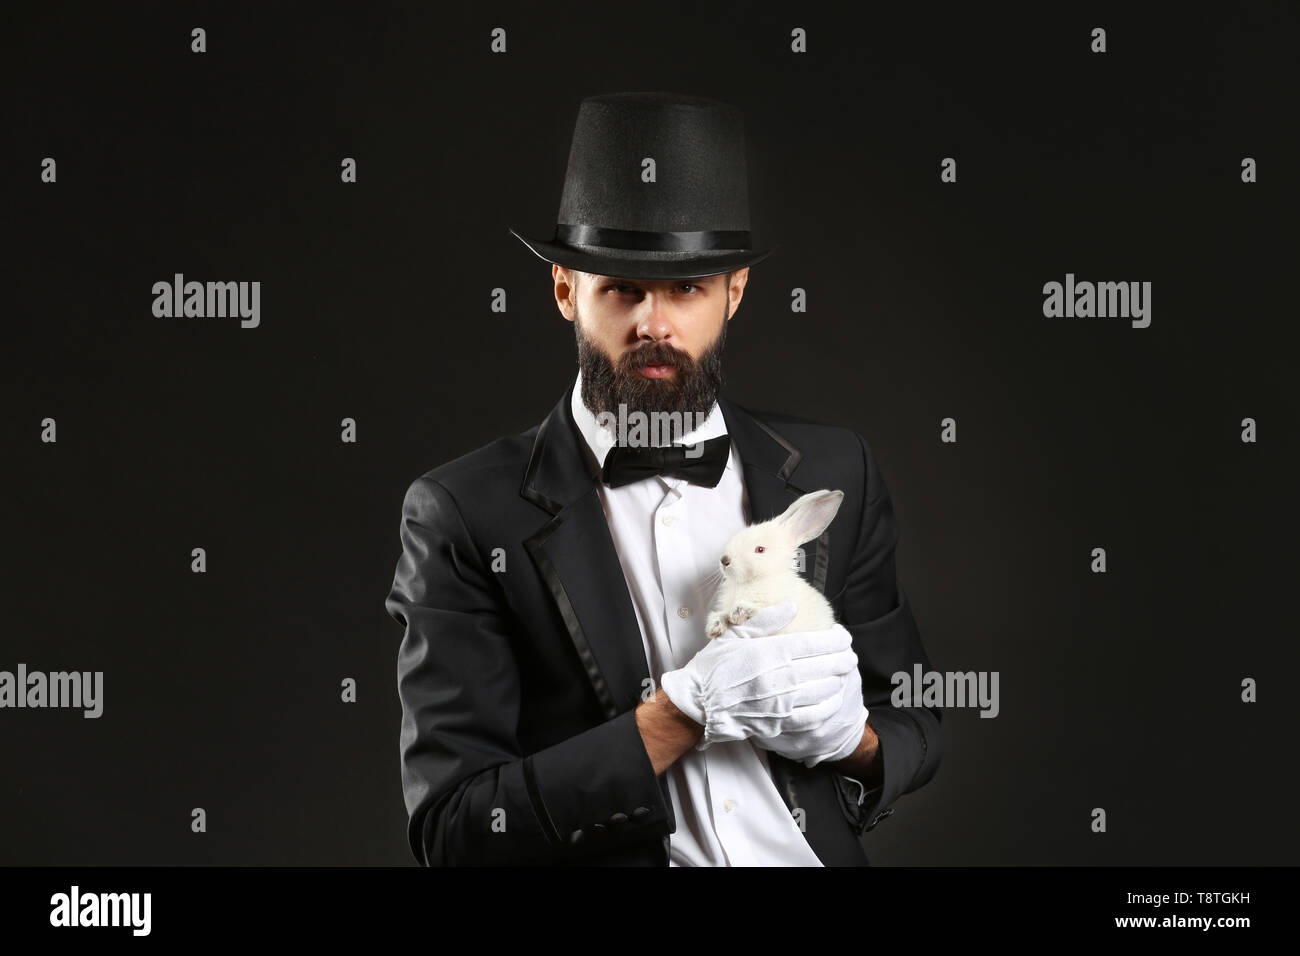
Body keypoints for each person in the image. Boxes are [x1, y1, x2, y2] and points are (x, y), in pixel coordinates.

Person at [384, 91, 942, 866]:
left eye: (686, 289)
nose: (655, 323)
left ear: (733, 293)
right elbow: (456, 827)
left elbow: (915, 722)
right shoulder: (462, 514)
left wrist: (852, 739)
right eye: (621, 289)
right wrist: (676, 718)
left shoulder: (835, 469)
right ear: (565, 291)